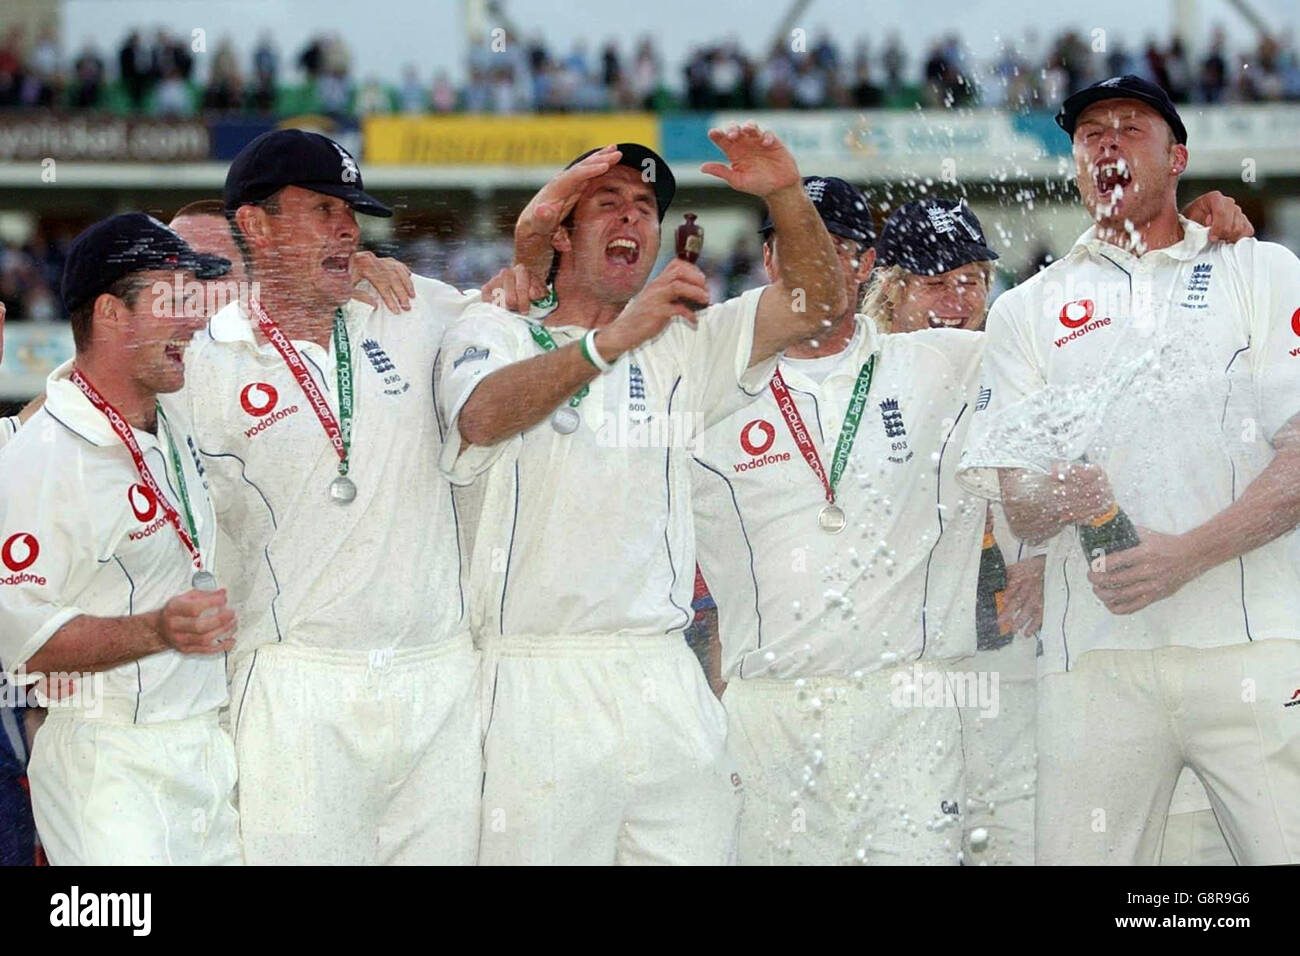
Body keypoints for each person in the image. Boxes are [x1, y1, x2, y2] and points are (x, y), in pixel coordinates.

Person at [436, 124, 847, 865]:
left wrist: (786, 194)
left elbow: (819, 301)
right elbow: (481, 416)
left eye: (645, 209)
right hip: (535, 681)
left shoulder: (684, 339)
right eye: (608, 204)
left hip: (663, 675)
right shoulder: (491, 327)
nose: (632, 218)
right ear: (559, 232)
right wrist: (608, 342)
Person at [958, 75, 1300, 865]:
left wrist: (1188, 556)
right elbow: (1020, 501)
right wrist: (1064, 497)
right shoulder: (1027, 309)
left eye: (1131, 128)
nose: (1106, 142)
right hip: (1096, 665)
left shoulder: (1261, 270)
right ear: (1077, 164)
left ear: (1178, 156)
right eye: (1090, 134)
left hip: (1252, 646)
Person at [180, 129, 486, 865]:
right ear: (254, 224)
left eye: (352, 213)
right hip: (296, 681)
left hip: (437, 676)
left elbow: (524, 303)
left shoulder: (415, 308)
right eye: (322, 210)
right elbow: (90, 410)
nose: (348, 227)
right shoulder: (199, 361)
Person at [0, 213, 240, 865]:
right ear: (110, 313)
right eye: (174, 299)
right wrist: (158, 630)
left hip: (204, 750)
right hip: (108, 765)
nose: (194, 320)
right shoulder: (42, 459)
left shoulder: (175, 418)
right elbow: (21, 645)